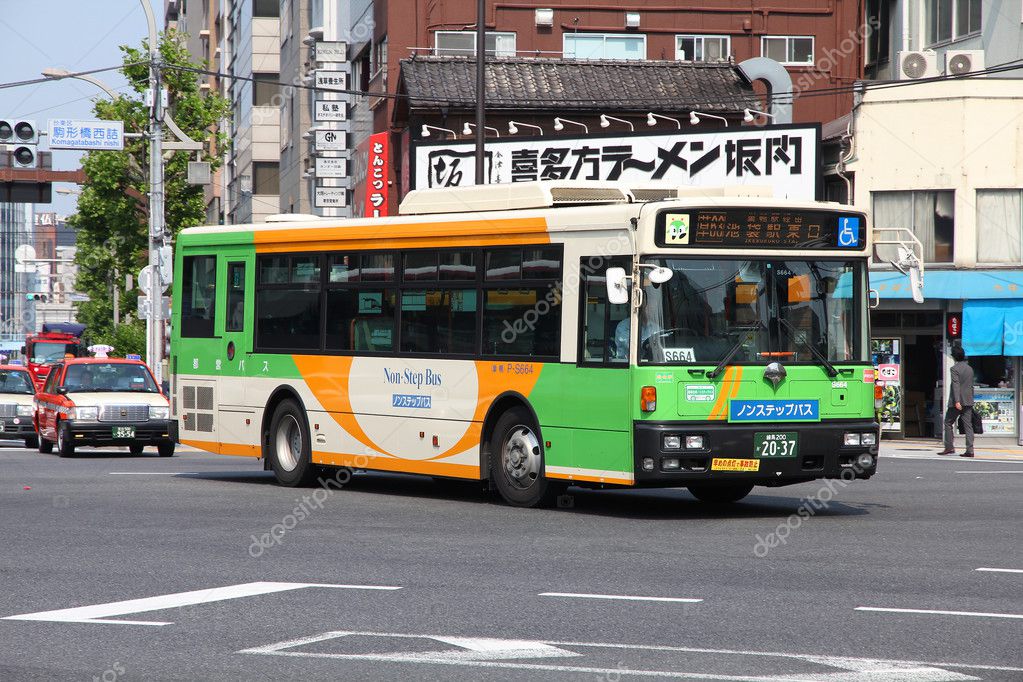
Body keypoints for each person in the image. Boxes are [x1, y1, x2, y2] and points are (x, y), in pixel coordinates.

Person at [939, 345, 975, 457]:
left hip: (957, 402)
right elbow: (971, 386)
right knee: (968, 425)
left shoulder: (954, 369)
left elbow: (956, 385)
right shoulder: (970, 369)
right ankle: (970, 450)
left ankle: (949, 447)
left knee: (948, 422)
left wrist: (957, 401)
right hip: (968, 400)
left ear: (954, 356)